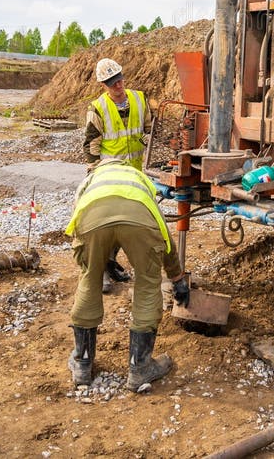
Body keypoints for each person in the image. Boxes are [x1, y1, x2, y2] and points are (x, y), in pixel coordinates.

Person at [65, 156, 190, 392]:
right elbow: (164, 235)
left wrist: (99, 264)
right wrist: (177, 278)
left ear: (100, 167)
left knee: (89, 281)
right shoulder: (138, 179)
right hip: (139, 223)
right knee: (147, 283)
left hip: (93, 221)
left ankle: (82, 365)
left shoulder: (90, 181)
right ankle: (139, 368)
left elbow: (79, 234)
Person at [83, 58, 152, 291]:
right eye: (112, 83)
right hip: (110, 176)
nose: (118, 85)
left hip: (134, 174)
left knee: (127, 223)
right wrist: (94, 174)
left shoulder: (140, 99)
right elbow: (91, 144)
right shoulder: (98, 108)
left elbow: (149, 130)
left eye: (120, 79)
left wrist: (147, 141)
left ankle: (110, 262)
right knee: (106, 223)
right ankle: (100, 269)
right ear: (103, 84)